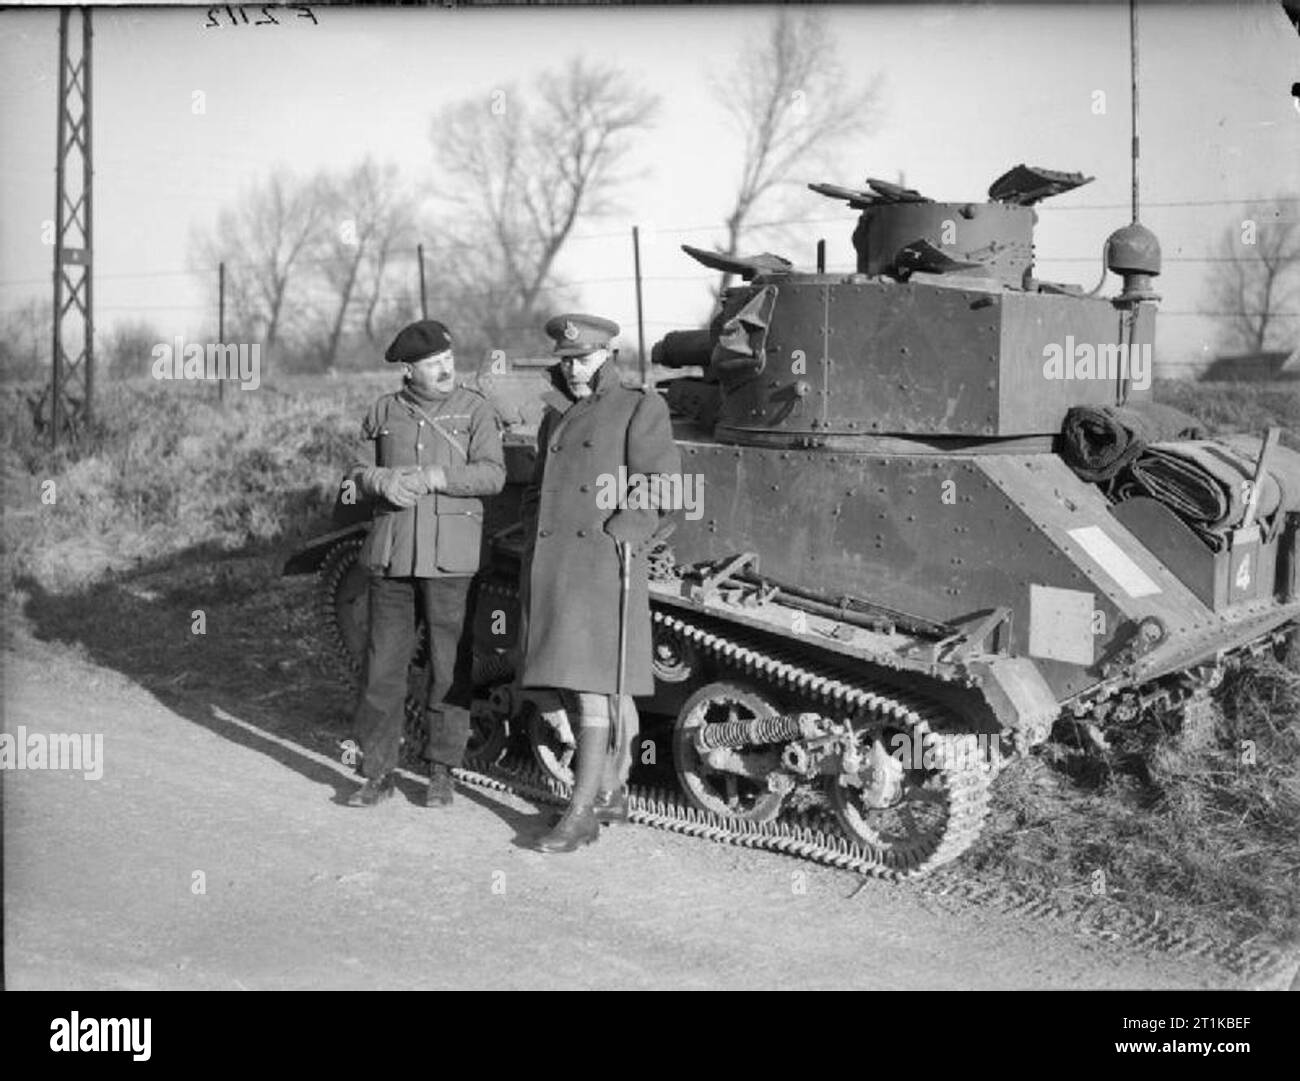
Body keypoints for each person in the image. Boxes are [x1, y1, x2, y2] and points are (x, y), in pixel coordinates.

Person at [520, 313, 682, 852]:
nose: (574, 369)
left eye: (584, 359)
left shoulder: (639, 407)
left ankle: (581, 813)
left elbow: (660, 484)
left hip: (601, 566)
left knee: (595, 686)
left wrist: (623, 531)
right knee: (580, 683)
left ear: (608, 355)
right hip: (554, 564)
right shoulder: (558, 415)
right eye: (566, 360)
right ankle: (612, 792)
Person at [345, 319, 505, 808]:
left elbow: (493, 475)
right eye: (433, 364)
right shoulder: (383, 412)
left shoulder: (475, 411)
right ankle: (377, 772)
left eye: (448, 360)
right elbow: (354, 473)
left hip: (451, 560)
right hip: (393, 557)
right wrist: (380, 483)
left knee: (448, 668)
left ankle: (441, 771)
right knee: (382, 669)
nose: (444, 369)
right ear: (409, 369)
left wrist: (437, 475)